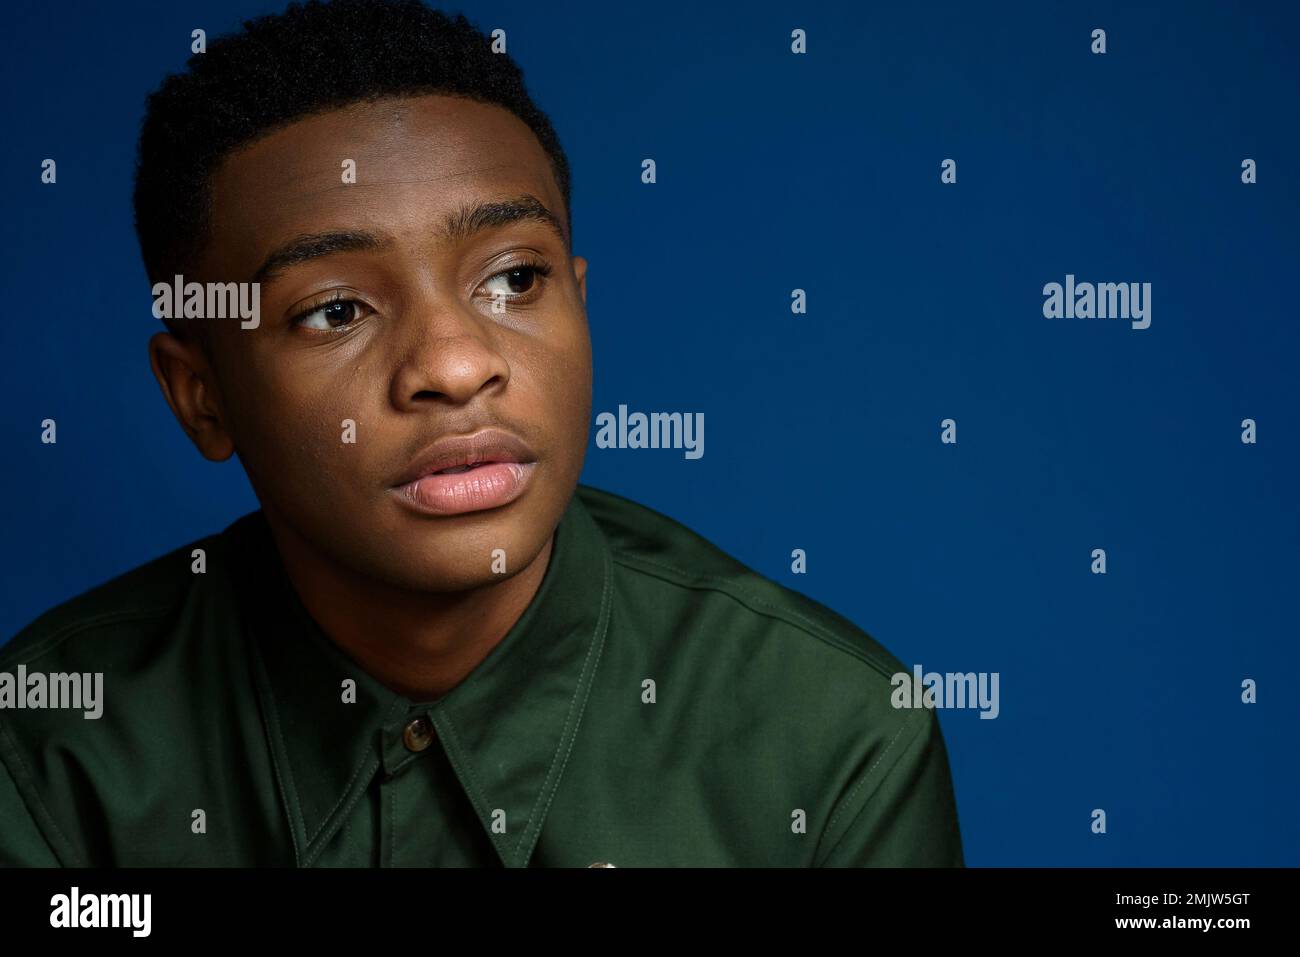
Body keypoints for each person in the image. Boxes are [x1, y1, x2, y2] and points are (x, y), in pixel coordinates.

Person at [0, 0, 963, 867]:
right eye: (335, 311)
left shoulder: (832, 737)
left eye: (514, 279)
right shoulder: (49, 749)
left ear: (581, 302)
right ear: (200, 395)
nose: (457, 366)